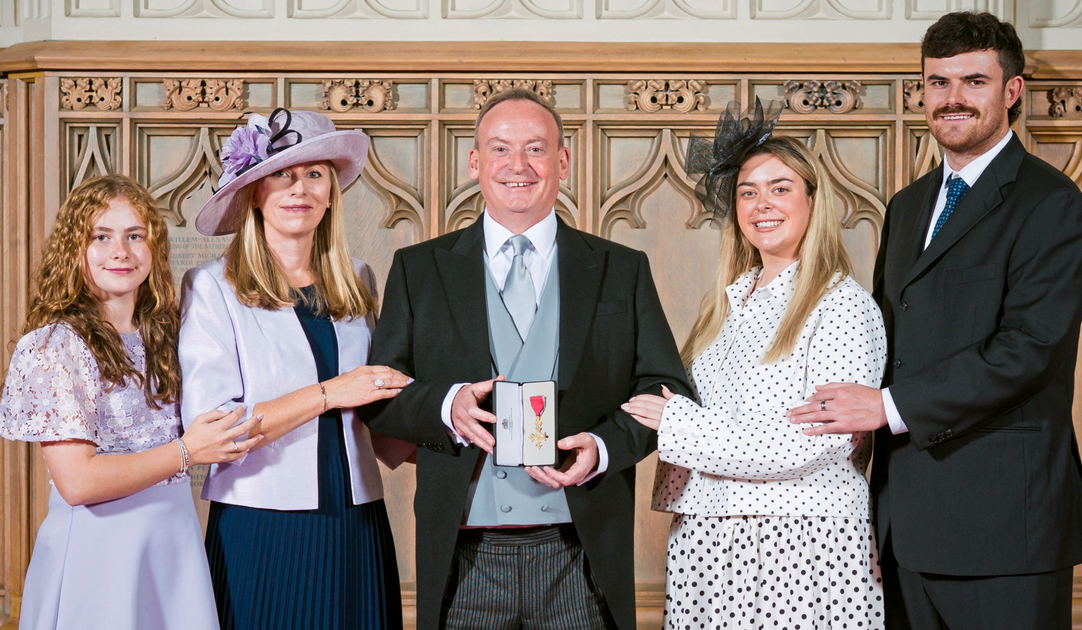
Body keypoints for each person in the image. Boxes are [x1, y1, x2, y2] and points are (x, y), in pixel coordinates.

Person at [786, 12, 1082, 629]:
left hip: (1004, 529)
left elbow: (1029, 350)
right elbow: (888, 346)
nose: (952, 98)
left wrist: (888, 407)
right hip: (903, 525)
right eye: (938, 82)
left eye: (974, 82)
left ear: (1012, 90)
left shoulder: (1051, 204)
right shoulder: (908, 206)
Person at [358, 88, 690, 630]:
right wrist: (445, 406)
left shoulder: (621, 268)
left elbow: (665, 390)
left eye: (536, 149)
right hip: (464, 560)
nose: (518, 165)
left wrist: (604, 447)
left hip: (582, 555)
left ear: (562, 161)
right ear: (475, 162)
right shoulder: (419, 270)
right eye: (500, 149)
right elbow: (381, 395)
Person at [622, 99, 887, 629]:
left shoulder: (841, 304)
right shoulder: (726, 305)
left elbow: (820, 440)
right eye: (747, 192)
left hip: (801, 540)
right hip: (707, 535)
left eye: (780, 188)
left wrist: (680, 424)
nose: (761, 204)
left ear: (813, 200)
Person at [179, 108, 414, 630]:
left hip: (356, 518)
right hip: (260, 523)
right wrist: (330, 393)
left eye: (314, 174)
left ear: (331, 193)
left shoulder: (358, 279)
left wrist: (455, 426)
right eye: (281, 175)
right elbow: (212, 428)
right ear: (253, 192)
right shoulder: (211, 286)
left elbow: (379, 408)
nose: (299, 189)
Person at [0, 174, 256, 630]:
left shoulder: (170, 336)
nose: (121, 251)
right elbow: (77, 482)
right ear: (74, 249)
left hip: (172, 543)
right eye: (101, 237)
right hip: (99, 550)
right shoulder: (55, 345)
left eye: (135, 236)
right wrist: (187, 451)